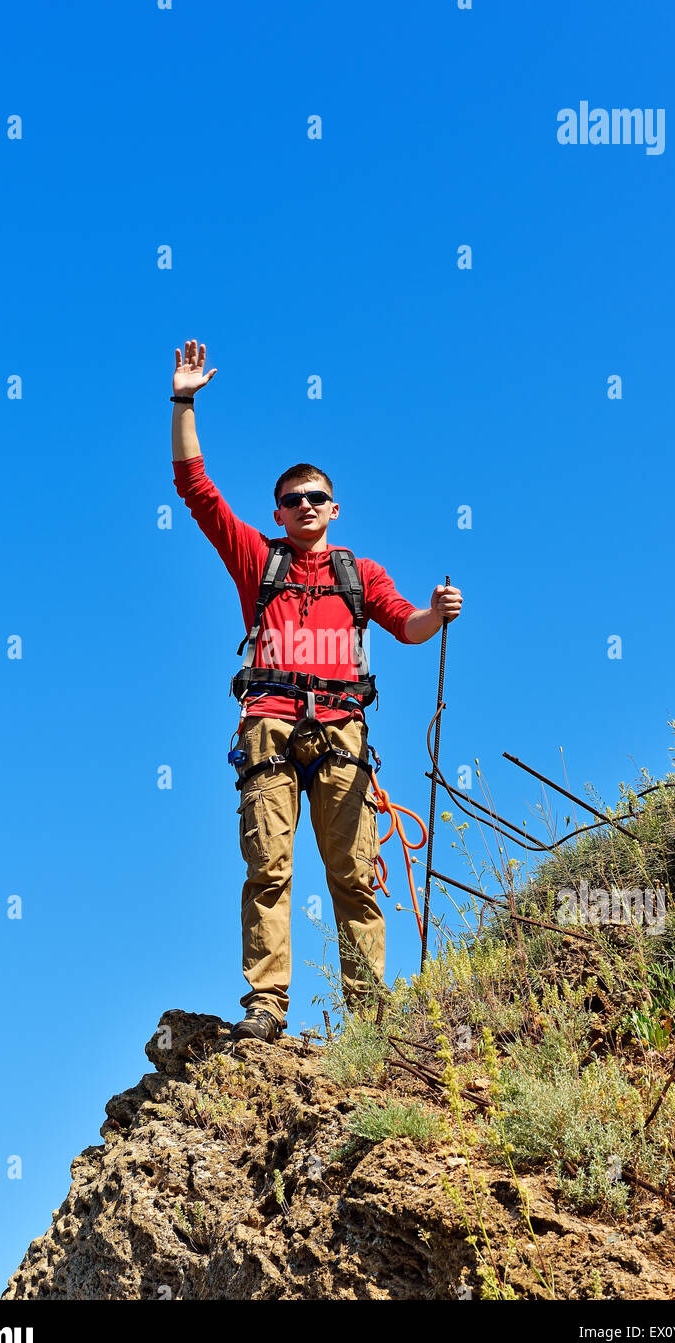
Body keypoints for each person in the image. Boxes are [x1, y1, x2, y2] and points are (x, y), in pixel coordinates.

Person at [170, 340, 463, 1042]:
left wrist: (436, 612)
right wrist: (183, 402)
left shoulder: (361, 574)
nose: (303, 506)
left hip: (341, 731)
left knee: (353, 875)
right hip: (268, 725)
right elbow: (197, 491)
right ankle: (267, 1005)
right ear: (277, 513)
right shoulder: (257, 562)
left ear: (334, 507)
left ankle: (367, 1019)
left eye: (314, 498)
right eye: (290, 500)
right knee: (268, 869)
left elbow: (406, 626)